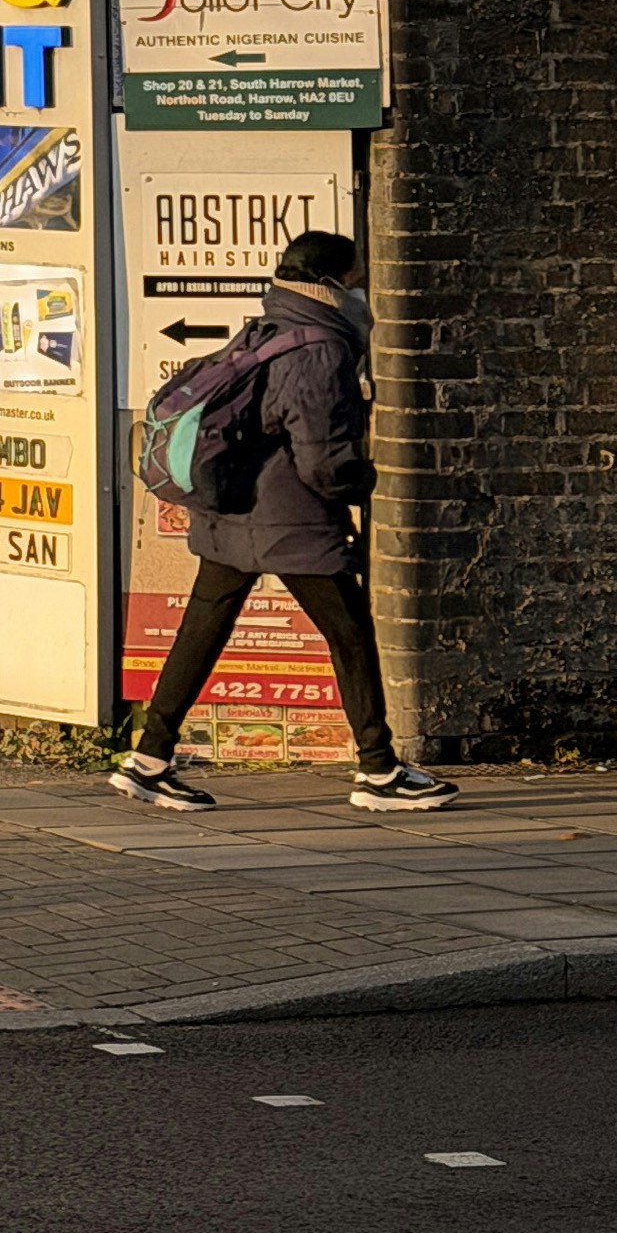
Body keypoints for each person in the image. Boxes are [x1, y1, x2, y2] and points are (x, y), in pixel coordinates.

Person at [111, 228, 454, 815]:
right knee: (349, 634)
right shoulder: (320, 349)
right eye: (357, 279)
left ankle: (149, 759)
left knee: (203, 628)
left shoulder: (267, 328)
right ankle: (379, 771)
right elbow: (322, 459)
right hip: (290, 523)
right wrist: (361, 484)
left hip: (232, 511)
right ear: (330, 283)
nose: (362, 290)